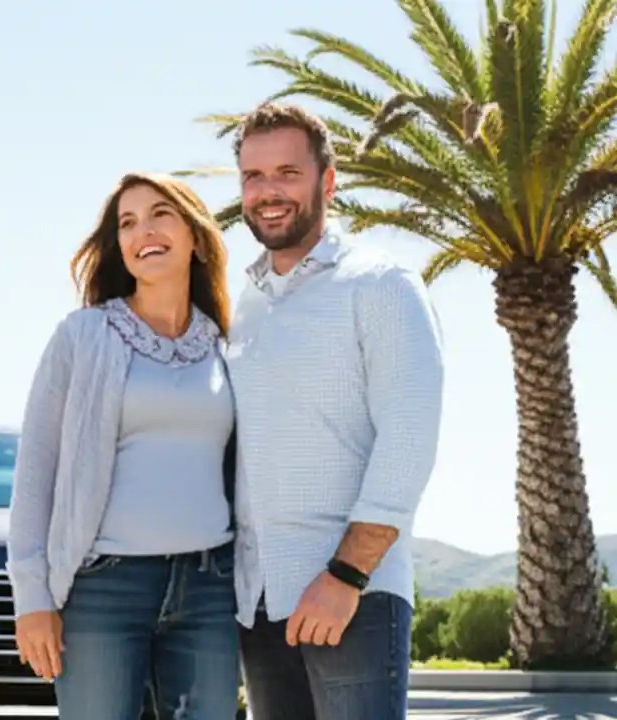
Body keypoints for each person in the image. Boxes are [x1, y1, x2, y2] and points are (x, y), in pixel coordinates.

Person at [223, 101, 445, 720]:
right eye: (253, 177)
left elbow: (409, 436)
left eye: (287, 174)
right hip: (257, 601)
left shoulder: (381, 284)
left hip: (353, 597)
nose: (269, 192)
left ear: (328, 180)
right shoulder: (243, 304)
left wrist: (347, 576)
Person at [6, 172, 241, 720]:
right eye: (127, 223)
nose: (144, 232)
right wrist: (32, 599)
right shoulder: (83, 336)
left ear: (196, 237)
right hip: (103, 590)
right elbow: (35, 472)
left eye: (161, 214)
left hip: (209, 589)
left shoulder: (229, 345)